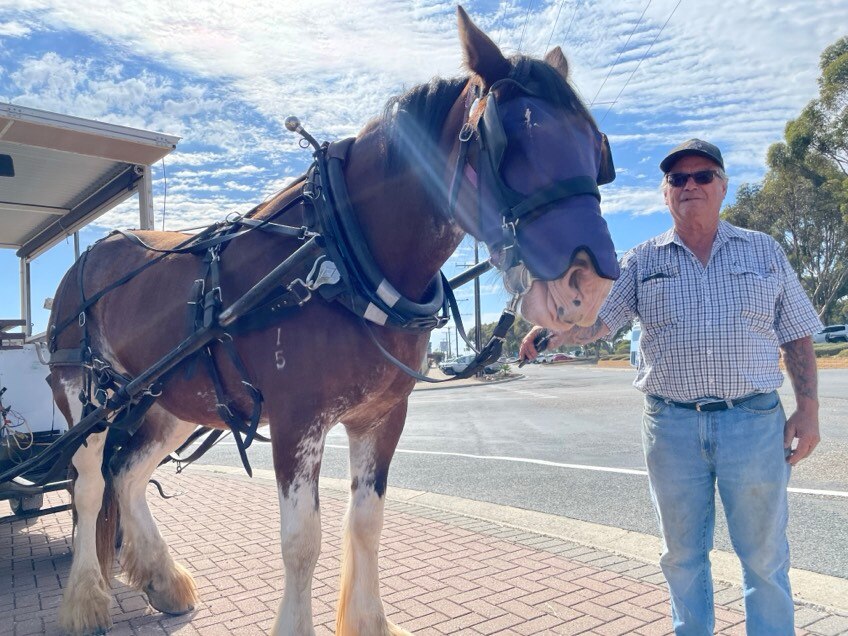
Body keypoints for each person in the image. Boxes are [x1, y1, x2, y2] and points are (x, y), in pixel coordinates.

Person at [520, 139, 822, 635]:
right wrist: (554, 330)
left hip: (753, 423)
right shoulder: (642, 260)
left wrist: (808, 410)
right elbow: (599, 322)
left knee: (765, 559)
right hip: (672, 429)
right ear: (664, 194)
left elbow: (796, 332)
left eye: (703, 176)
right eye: (677, 179)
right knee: (682, 559)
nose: (690, 186)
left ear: (722, 187)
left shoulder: (763, 251)